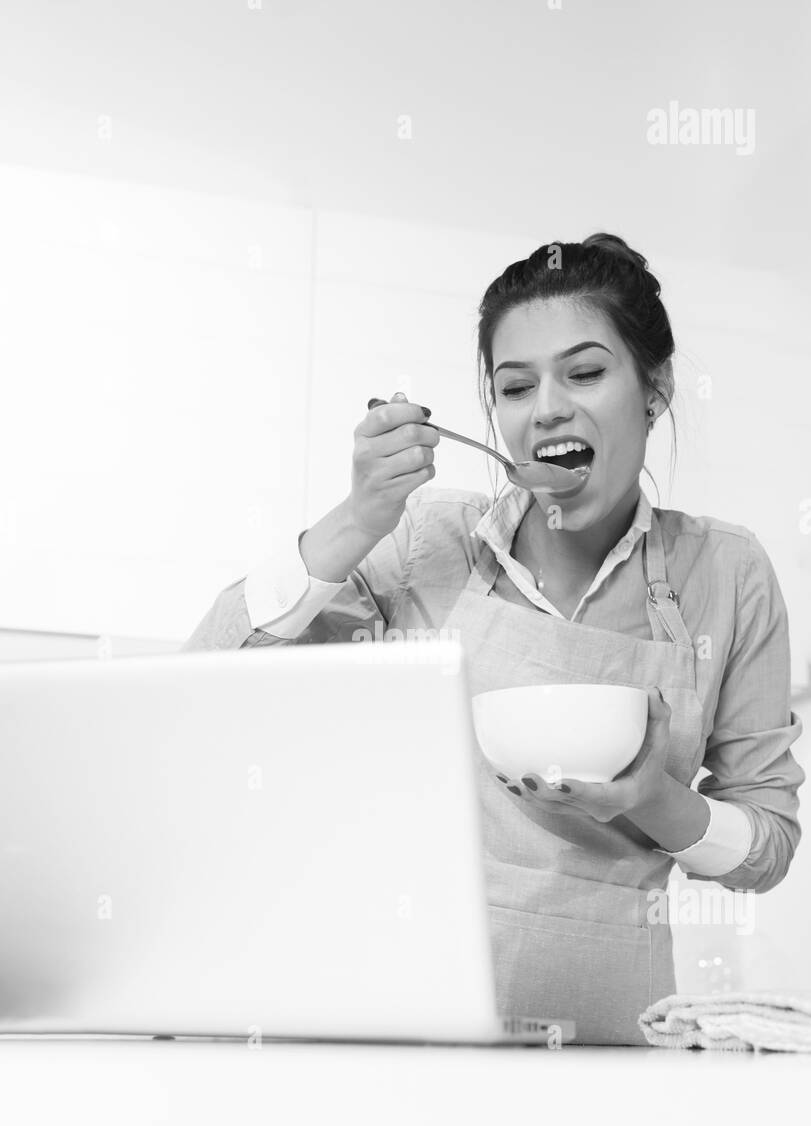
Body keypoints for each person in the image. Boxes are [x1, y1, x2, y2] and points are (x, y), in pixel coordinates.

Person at [183, 233, 804, 1045]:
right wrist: (356, 519)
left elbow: (765, 849)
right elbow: (207, 685)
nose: (546, 406)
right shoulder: (420, 546)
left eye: (584, 373)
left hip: (616, 1043)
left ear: (654, 390)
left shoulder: (727, 572)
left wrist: (655, 800)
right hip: (406, 1029)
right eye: (515, 387)